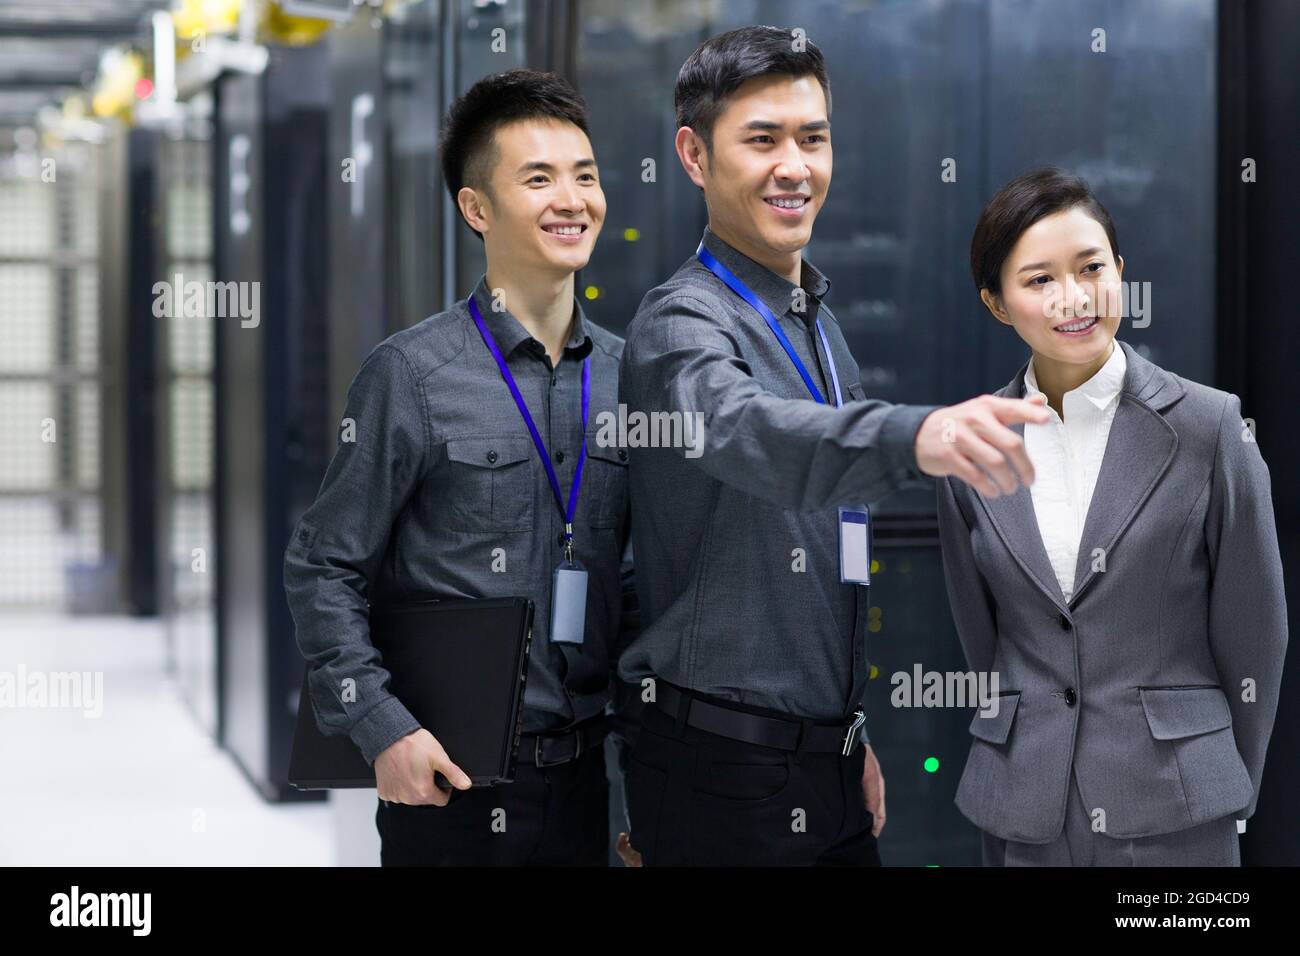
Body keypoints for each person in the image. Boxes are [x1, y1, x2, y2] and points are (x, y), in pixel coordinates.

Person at [617, 25, 1051, 866]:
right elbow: (748, 432)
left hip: (820, 758)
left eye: (813, 138)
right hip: (721, 772)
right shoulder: (682, 323)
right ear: (694, 155)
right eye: (763, 139)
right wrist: (915, 432)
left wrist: (845, 734)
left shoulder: (817, 324)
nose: (795, 165)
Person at [283, 70, 633, 865]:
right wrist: (383, 729)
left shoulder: (627, 375)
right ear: (476, 208)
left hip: (587, 783)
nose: (572, 199)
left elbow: (643, 583)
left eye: (585, 175)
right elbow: (322, 567)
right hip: (450, 789)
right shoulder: (410, 374)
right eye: (538, 178)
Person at [938, 166, 1288, 866]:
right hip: (1024, 810)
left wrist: (1229, 785)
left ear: (1119, 271)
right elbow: (985, 646)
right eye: (1038, 280)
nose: (1074, 298)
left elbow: (1257, 636)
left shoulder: (1211, 427)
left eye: (1091, 267)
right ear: (997, 304)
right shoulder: (969, 445)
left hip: (1177, 808)